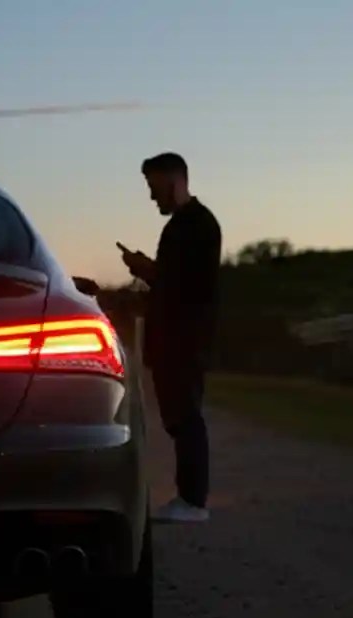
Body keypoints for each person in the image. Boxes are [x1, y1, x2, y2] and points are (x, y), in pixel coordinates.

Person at [120, 152, 221, 522]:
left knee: (186, 416)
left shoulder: (198, 225)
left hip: (185, 338)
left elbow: (189, 286)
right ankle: (189, 498)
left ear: (175, 181)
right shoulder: (181, 226)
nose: (152, 197)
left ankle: (193, 501)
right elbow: (172, 283)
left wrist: (148, 270)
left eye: (154, 187)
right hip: (175, 338)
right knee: (178, 416)